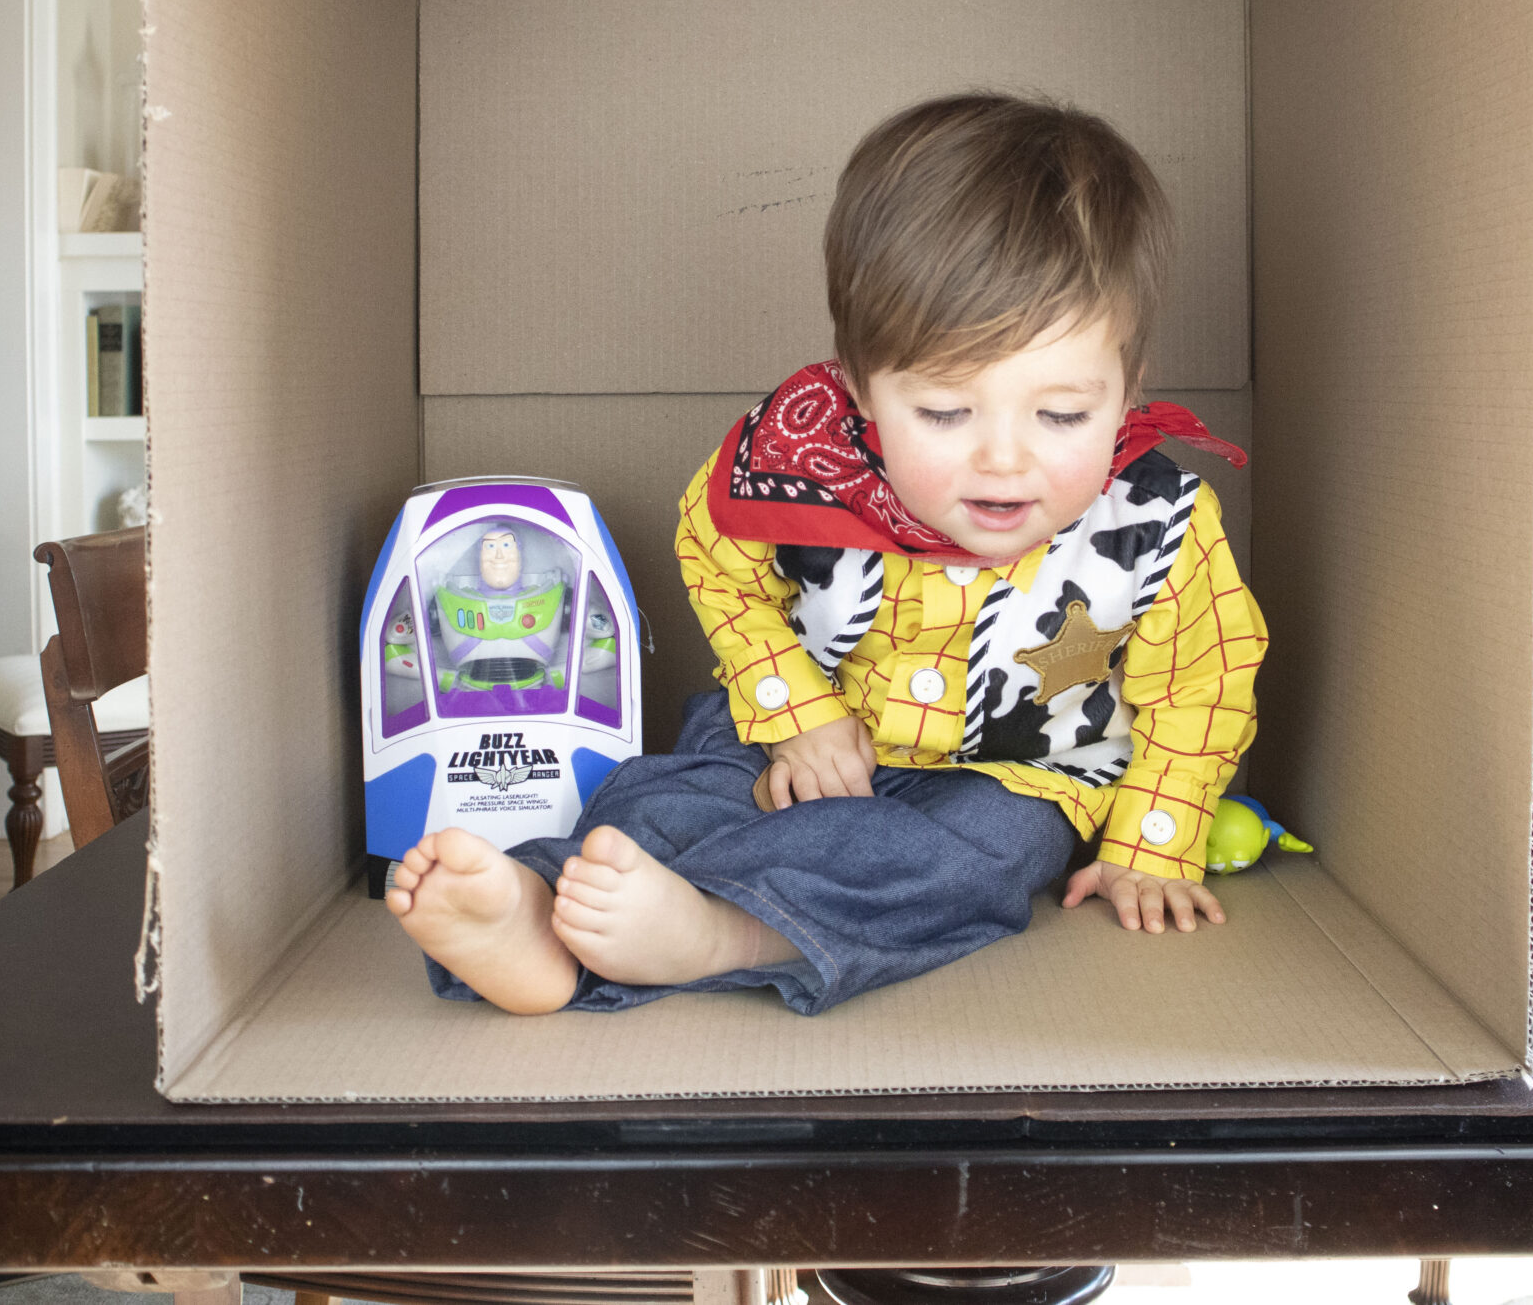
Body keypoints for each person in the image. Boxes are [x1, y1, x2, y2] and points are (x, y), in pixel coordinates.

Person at [383, 94, 1268, 1015]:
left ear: (1127, 389)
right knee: (672, 796)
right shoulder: (800, 462)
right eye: (944, 412)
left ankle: (728, 932)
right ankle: (534, 903)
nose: (1005, 458)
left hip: (1010, 778)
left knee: (982, 858)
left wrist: (1150, 843)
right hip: (793, 745)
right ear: (859, 385)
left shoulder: (1156, 521)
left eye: (1062, 414)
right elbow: (718, 556)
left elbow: (1203, 685)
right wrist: (796, 713)